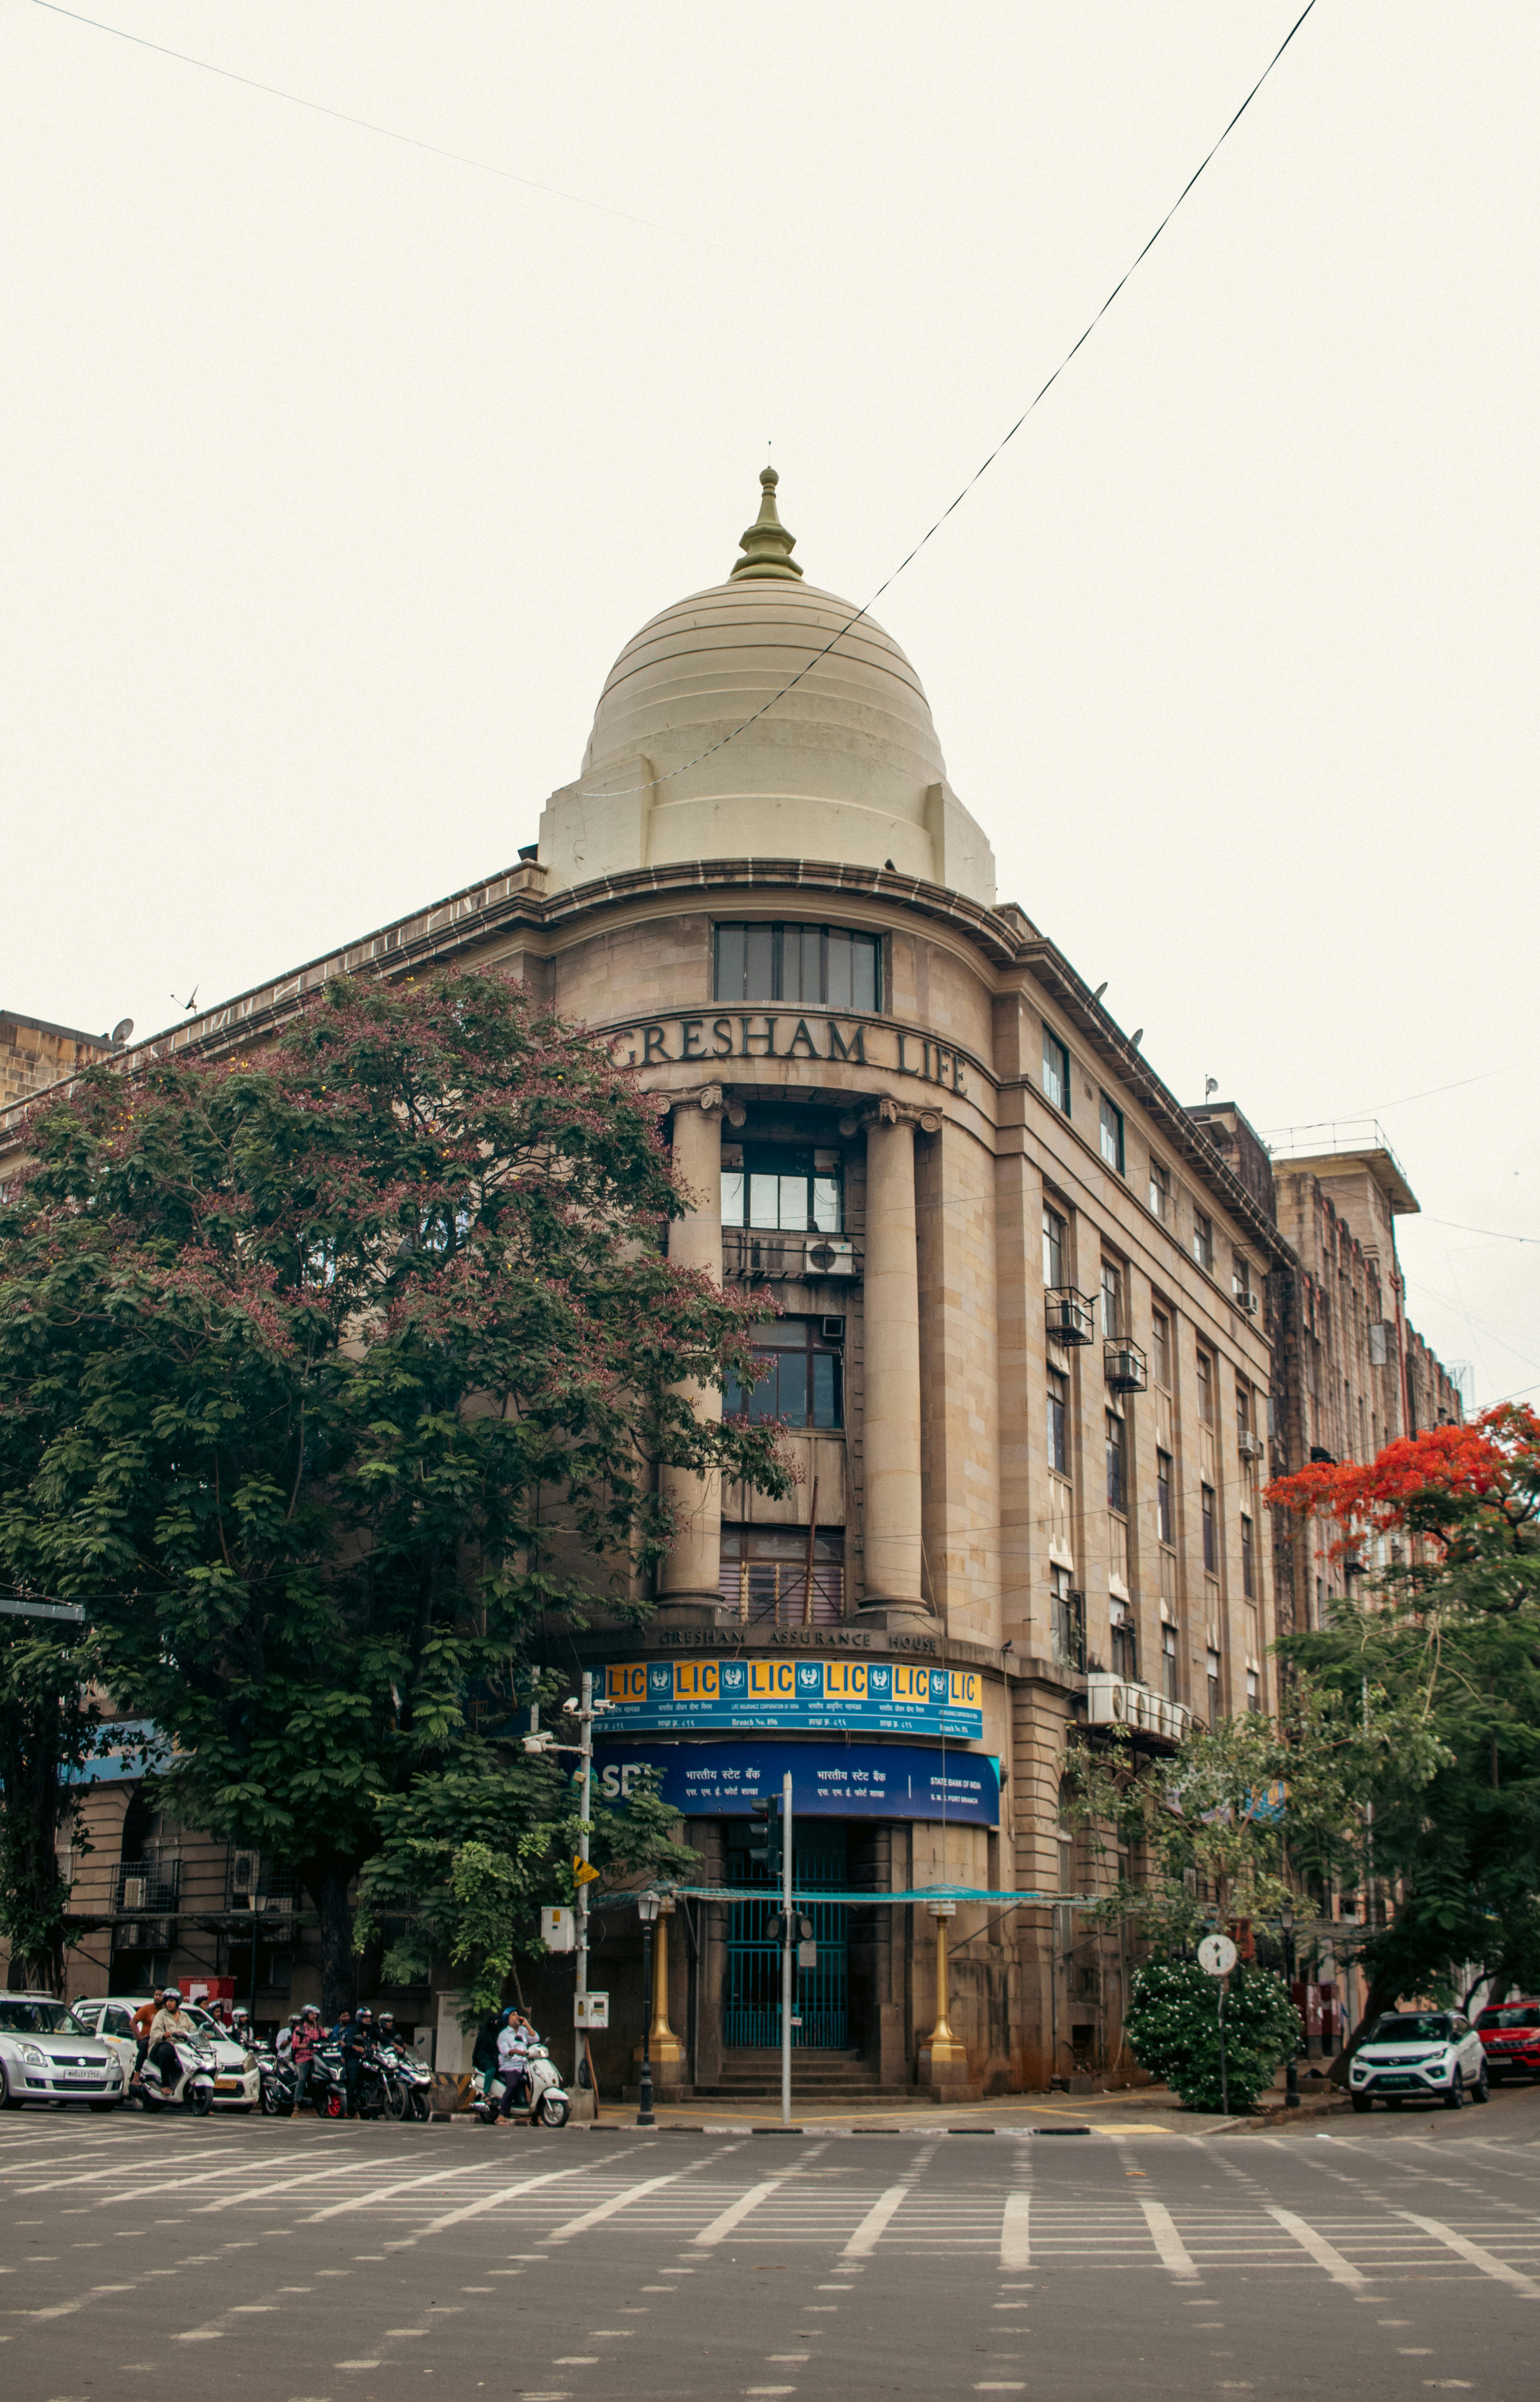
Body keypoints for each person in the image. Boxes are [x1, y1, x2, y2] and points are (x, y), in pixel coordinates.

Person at [146, 1986, 197, 2092]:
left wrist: (197, 2034)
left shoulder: (185, 2016)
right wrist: (164, 2035)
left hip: (181, 2048)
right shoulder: (161, 2015)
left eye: (171, 2001)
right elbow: (154, 2034)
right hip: (159, 2047)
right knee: (167, 2050)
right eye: (167, 2001)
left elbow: (193, 2029)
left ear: (178, 2002)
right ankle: (165, 2085)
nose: (168, 2004)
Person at [495, 2010, 533, 2123]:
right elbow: (505, 2051)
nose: (517, 2017)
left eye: (517, 2014)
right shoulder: (504, 2035)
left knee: (536, 2084)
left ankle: (536, 2116)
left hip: (525, 2065)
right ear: (508, 2020)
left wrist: (526, 2024)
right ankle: (502, 2115)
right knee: (512, 2086)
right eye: (513, 2015)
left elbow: (535, 2038)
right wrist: (516, 2051)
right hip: (510, 2066)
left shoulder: (523, 2031)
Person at [290, 2002, 325, 2113]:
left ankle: (321, 2108)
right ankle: (296, 2105)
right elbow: (295, 2045)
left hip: (316, 2059)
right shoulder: (300, 2029)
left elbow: (326, 2039)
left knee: (318, 2082)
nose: (314, 2016)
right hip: (303, 2058)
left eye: (316, 2015)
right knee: (302, 2079)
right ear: (306, 2015)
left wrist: (336, 2041)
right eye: (312, 2014)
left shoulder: (319, 2029)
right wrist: (305, 2046)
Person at [340, 2005, 374, 2118]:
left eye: (369, 2017)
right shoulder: (354, 2030)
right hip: (354, 2059)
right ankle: (346, 2109)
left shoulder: (371, 2030)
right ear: (360, 2018)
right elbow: (348, 2043)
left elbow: (382, 2038)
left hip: (369, 2060)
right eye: (365, 2017)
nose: (368, 2020)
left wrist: (394, 2045)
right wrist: (356, 2047)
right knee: (353, 2081)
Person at [132, 1988, 164, 2073]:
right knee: (145, 2046)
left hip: (161, 2039)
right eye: (156, 1995)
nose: (157, 1997)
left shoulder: (168, 2011)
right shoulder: (147, 2009)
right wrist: (139, 2036)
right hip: (147, 2039)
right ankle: (137, 2075)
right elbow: (133, 2023)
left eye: (160, 1995)